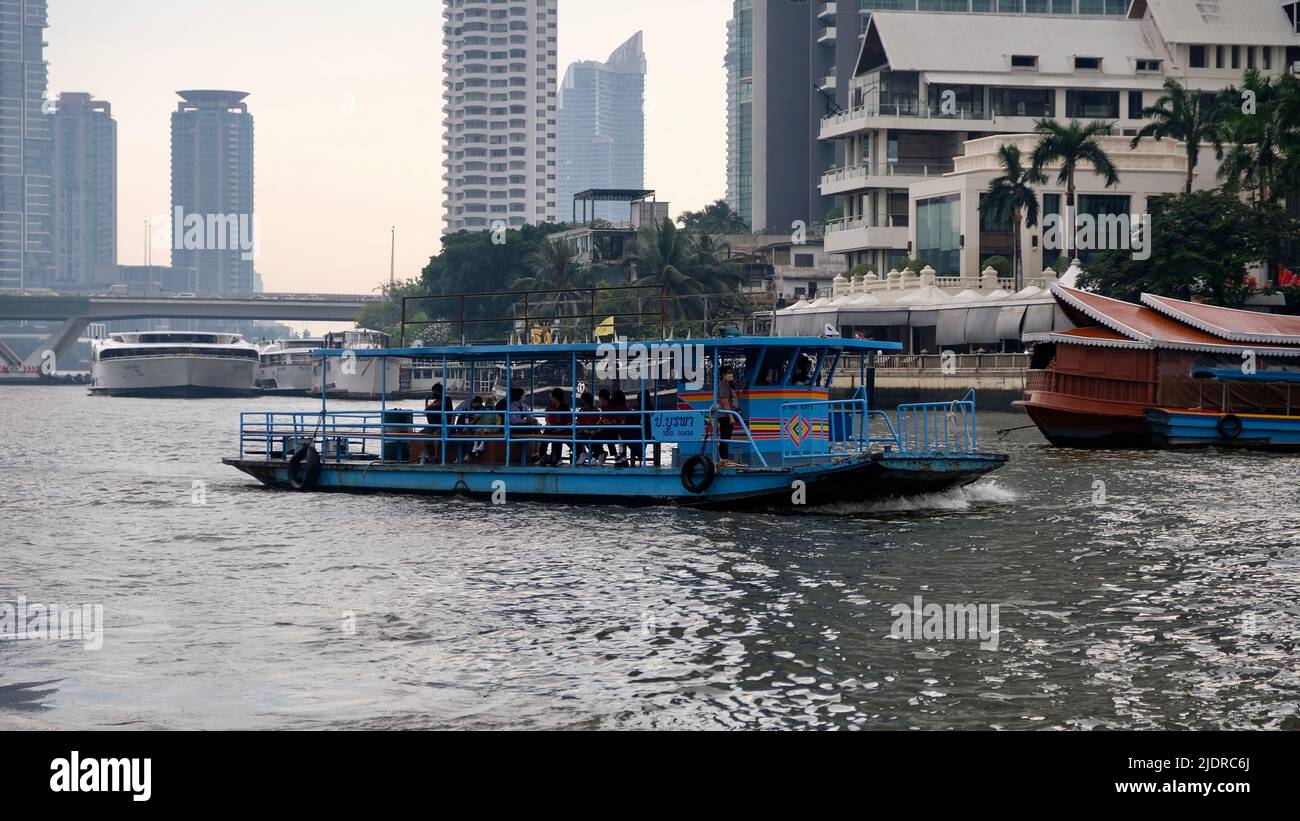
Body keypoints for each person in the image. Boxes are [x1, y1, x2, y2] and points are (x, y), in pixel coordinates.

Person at [717, 366, 740, 462]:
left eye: (731, 372)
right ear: (723, 374)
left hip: (728, 414)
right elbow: (725, 402)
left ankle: (724, 458)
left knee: (726, 436)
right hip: (725, 415)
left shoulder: (728, 385)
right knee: (725, 437)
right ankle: (724, 458)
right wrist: (731, 416)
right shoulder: (723, 385)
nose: (731, 374)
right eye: (729, 372)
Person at [542, 387, 571, 466]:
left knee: (557, 439)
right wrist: (549, 424)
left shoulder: (565, 407)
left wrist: (561, 428)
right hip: (551, 428)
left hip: (562, 429)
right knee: (543, 438)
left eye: (551, 395)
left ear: (555, 396)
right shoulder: (551, 405)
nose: (550, 396)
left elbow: (569, 421)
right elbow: (546, 416)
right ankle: (542, 456)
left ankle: (557, 458)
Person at [606, 390, 632, 467]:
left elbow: (622, 422)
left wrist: (610, 423)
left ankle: (621, 455)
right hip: (617, 430)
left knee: (619, 433)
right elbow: (615, 421)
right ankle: (618, 456)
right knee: (608, 435)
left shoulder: (622, 408)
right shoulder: (618, 408)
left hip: (624, 431)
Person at [575, 391, 599, 466]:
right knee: (574, 434)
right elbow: (578, 423)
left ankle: (598, 453)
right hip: (582, 430)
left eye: (581, 399)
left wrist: (588, 429)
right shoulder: (581, 411)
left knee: (592, 436)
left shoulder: (595, 411)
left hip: (593, 431)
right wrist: (583, 429)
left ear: (585, 400)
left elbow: (596, 423)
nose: (580, 401)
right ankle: (582, 453)